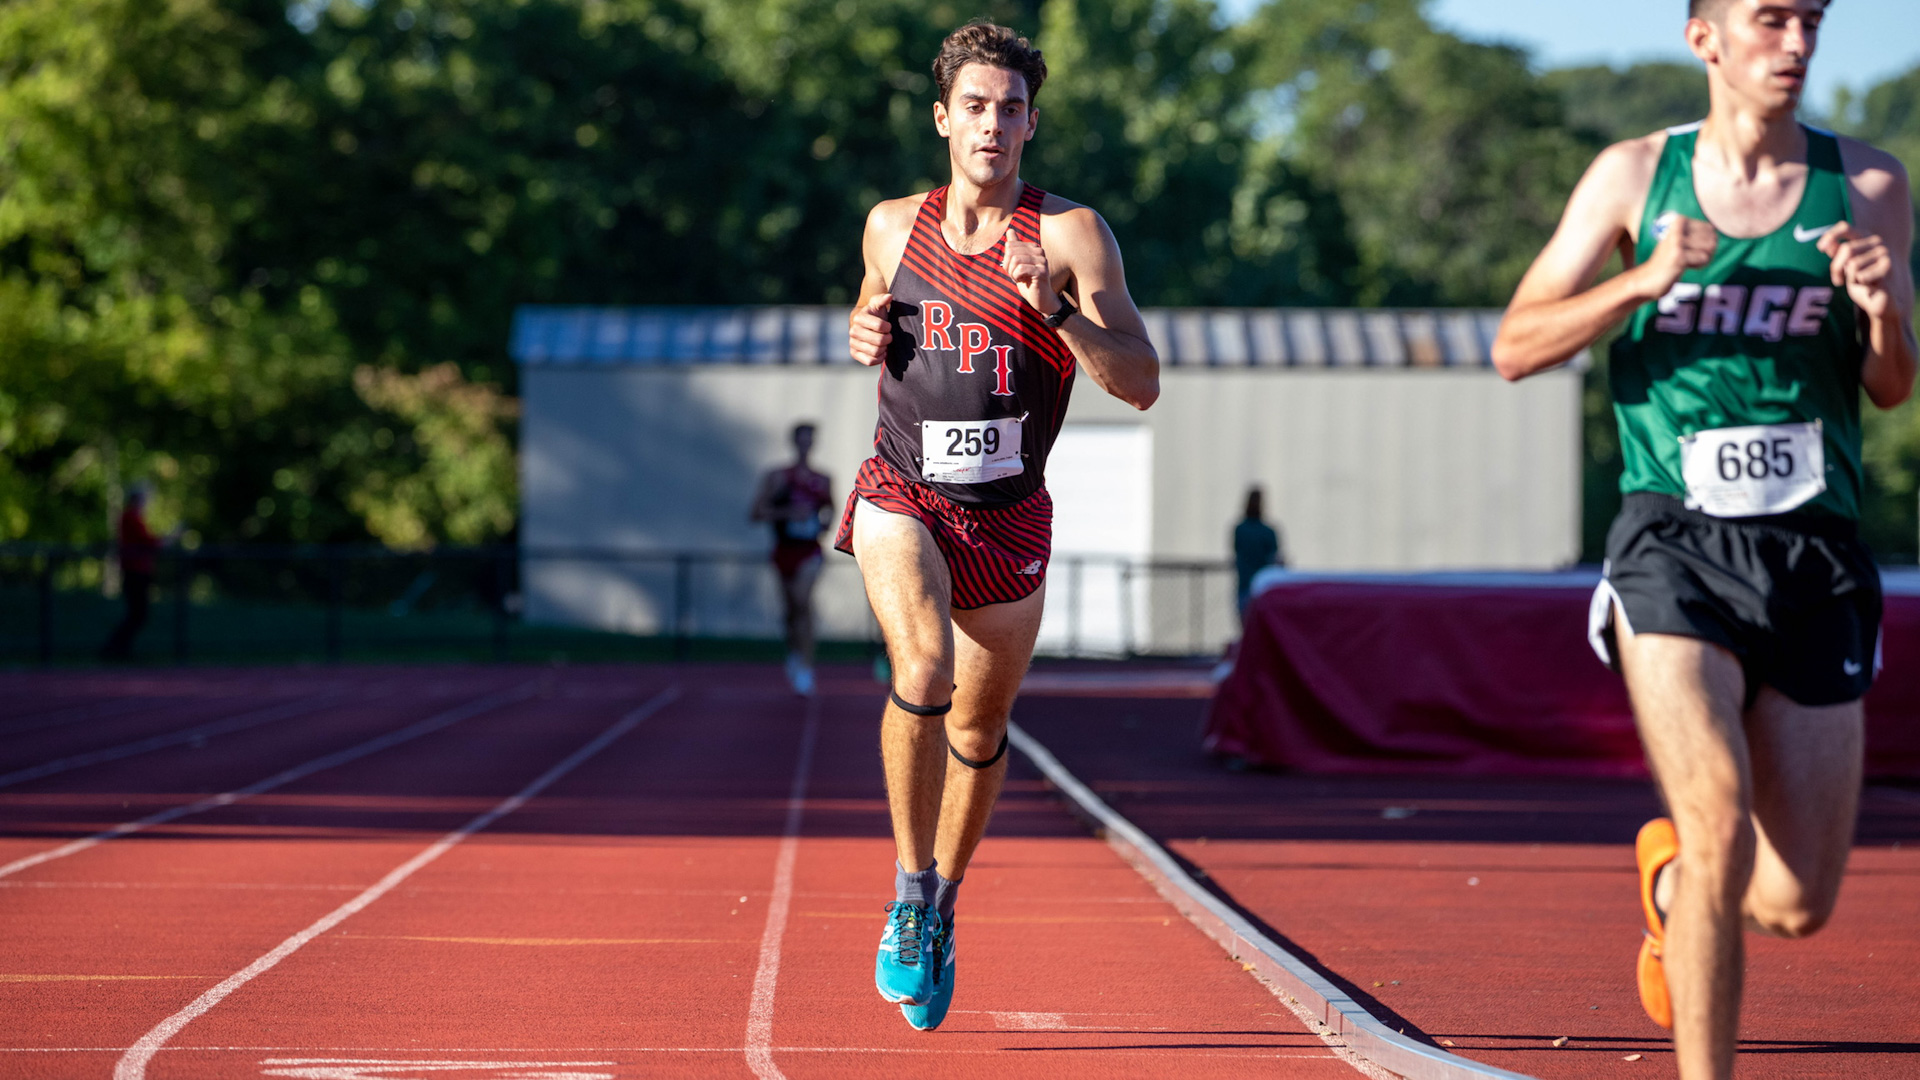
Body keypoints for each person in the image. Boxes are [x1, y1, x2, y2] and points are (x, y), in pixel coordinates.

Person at [1491, 2, 1914, 1077]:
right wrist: (1640, 282)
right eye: (1770, 19)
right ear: (1706, 39)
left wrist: (1880, 312)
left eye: (1812, 20)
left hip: (1812, 553)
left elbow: (1893, 387)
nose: (1798, 42)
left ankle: (1673, 889)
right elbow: (1514, 345)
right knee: (1721, 823)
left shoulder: (1866, 185)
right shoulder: (1635, 178)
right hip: (1671, 541)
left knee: (1797, 900)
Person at [839, 21, 1159, 1031]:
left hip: (1009, 518)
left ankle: (942, 904)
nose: (993, 124)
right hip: (905, 490)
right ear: (943, 118)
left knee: (978, 729)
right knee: (923, 671)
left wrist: (1059, 310)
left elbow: (1143, 384)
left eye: (1011, 108)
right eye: (974, 106)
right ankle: (904, 890)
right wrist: (858, 327)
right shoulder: (893, 224)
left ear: (1031, 122)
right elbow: (869, 311)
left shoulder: (1071, 234)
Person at [750, 423, 833, 696]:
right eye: (801, 440)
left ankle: (807, 665)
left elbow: (830, 511)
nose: (805, 445)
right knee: (790, 611)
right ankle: (795, 653)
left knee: (803, 602)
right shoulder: (777, 477)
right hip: (783, 549)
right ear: (794, 443)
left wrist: (822, 524)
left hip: (809, 550)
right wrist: (788, 513)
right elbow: (756, 513)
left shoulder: (822, 479)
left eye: (810, 440)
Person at [100, 485, 162, 661]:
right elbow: (150, 542)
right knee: (138, 613)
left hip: (138, 570)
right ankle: (114, 648)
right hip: (135, 570)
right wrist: (169, 538)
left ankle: (119, 649)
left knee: (138, 613)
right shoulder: (131, 517)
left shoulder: (134, 517)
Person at [1233, 487, 1282, 617]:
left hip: (1245, 585)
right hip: (1263, 589)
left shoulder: (1239, 530)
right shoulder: (1268, 532)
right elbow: (1276, 558)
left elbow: (1236, 553)